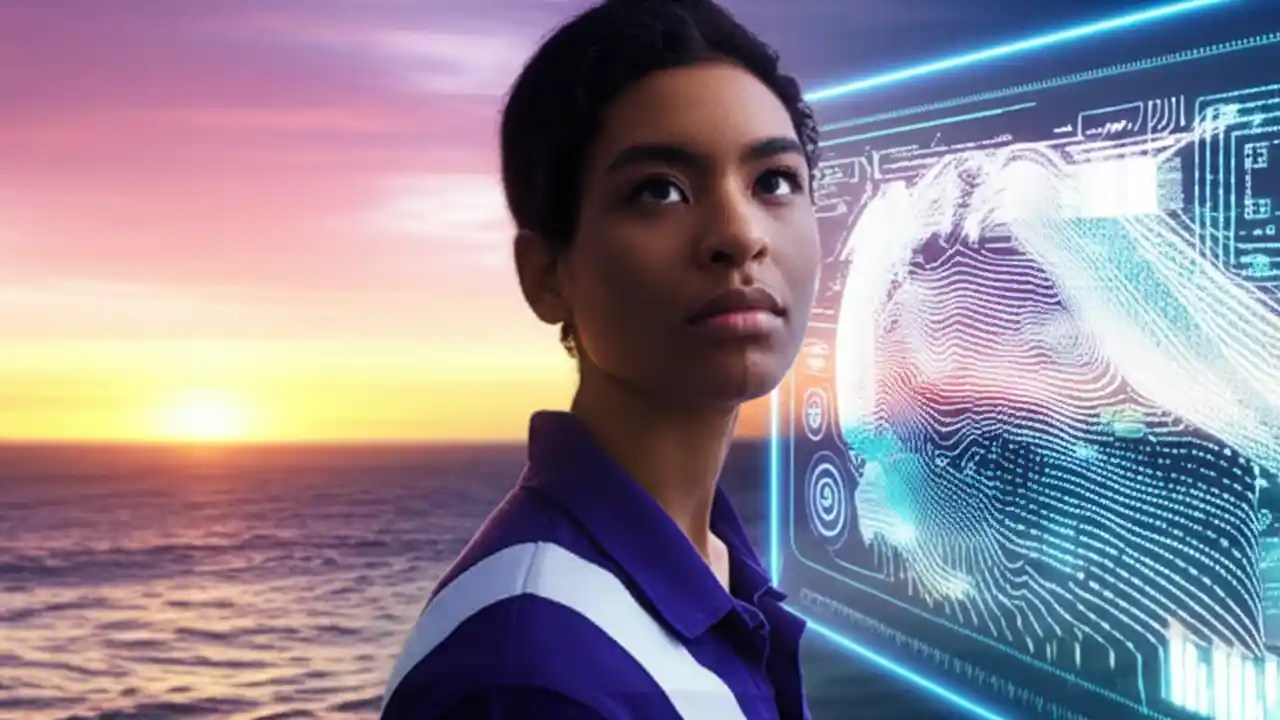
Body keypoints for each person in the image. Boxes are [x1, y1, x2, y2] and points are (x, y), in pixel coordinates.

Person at [380, 0, 822, 717]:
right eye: (659, 191)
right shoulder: (533, 675)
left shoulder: (715, 566)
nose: (739, 236)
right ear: (548, 274)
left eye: (773, 181)